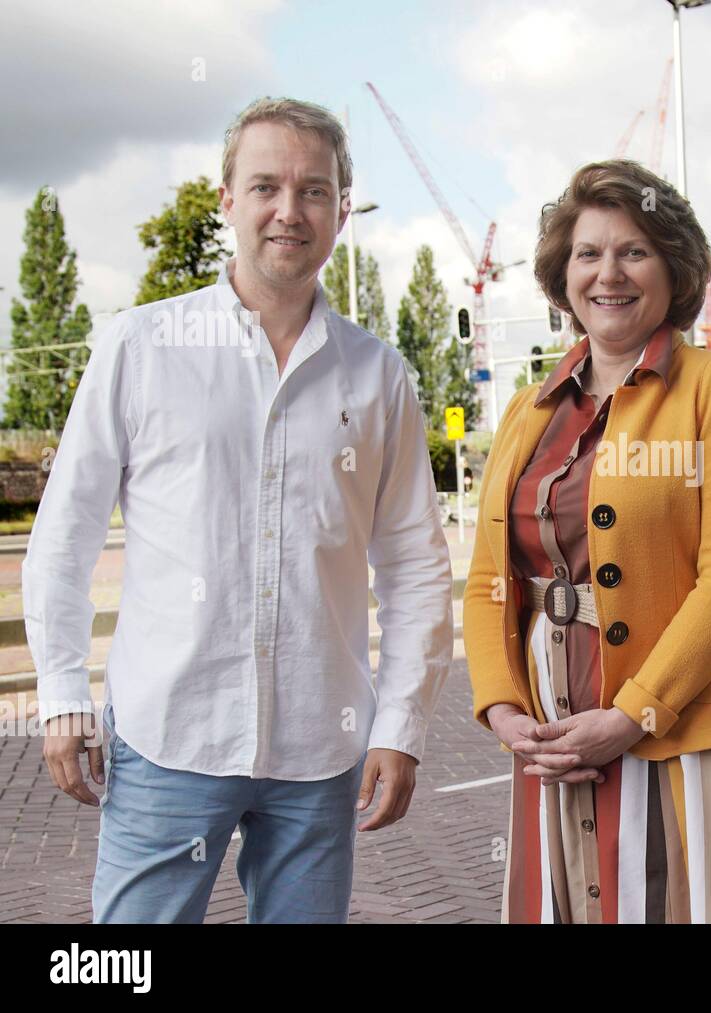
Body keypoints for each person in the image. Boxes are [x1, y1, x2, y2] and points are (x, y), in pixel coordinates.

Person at [24, 97, 455, 923]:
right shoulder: (138, 348)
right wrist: (62, 693)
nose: (289, 211)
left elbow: (414, 566)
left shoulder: (379, 376)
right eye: (266, 186)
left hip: (320, 750)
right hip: (167, 739)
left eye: (315, 190)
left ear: (342, 205)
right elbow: (65, 536)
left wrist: (401, 725)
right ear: (227, 198)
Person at [463, 160, 711, 923]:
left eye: (634, 251)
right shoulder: (526, 411)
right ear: (562, 273)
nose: (608, 273)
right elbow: (488, 578)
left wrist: (634, 713)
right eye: (588, 253)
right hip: (551, 740)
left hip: (687, 735)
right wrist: (505, 709)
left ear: (673, 268)